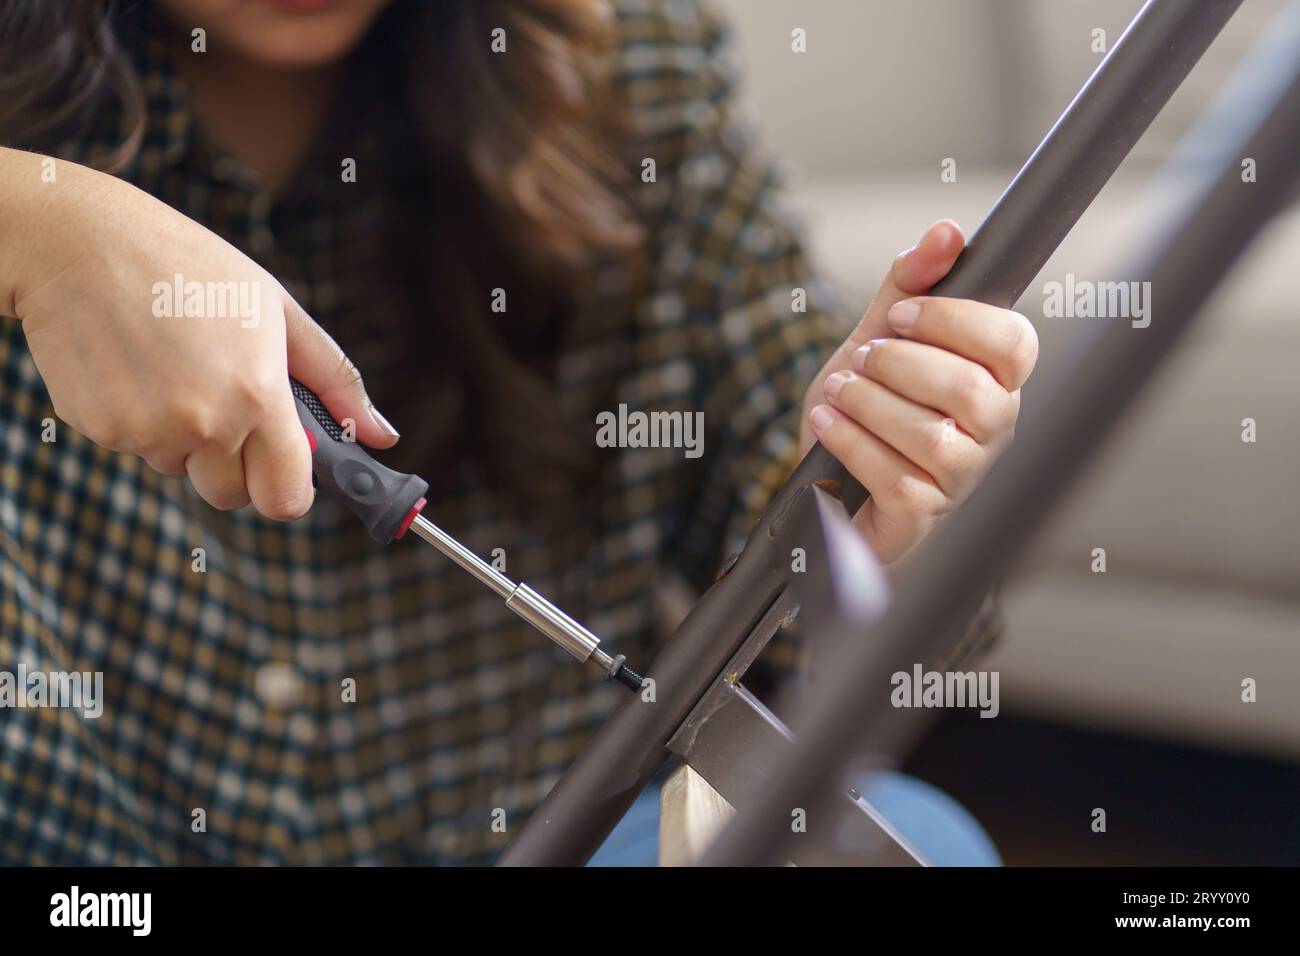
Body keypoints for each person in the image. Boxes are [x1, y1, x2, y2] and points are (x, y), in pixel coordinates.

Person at [0, 0, 1035, 865]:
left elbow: (811, 530)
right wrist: (37, 225)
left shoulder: (627, 65)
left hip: (561, 829)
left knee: (914, 841)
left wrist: (887, 483)